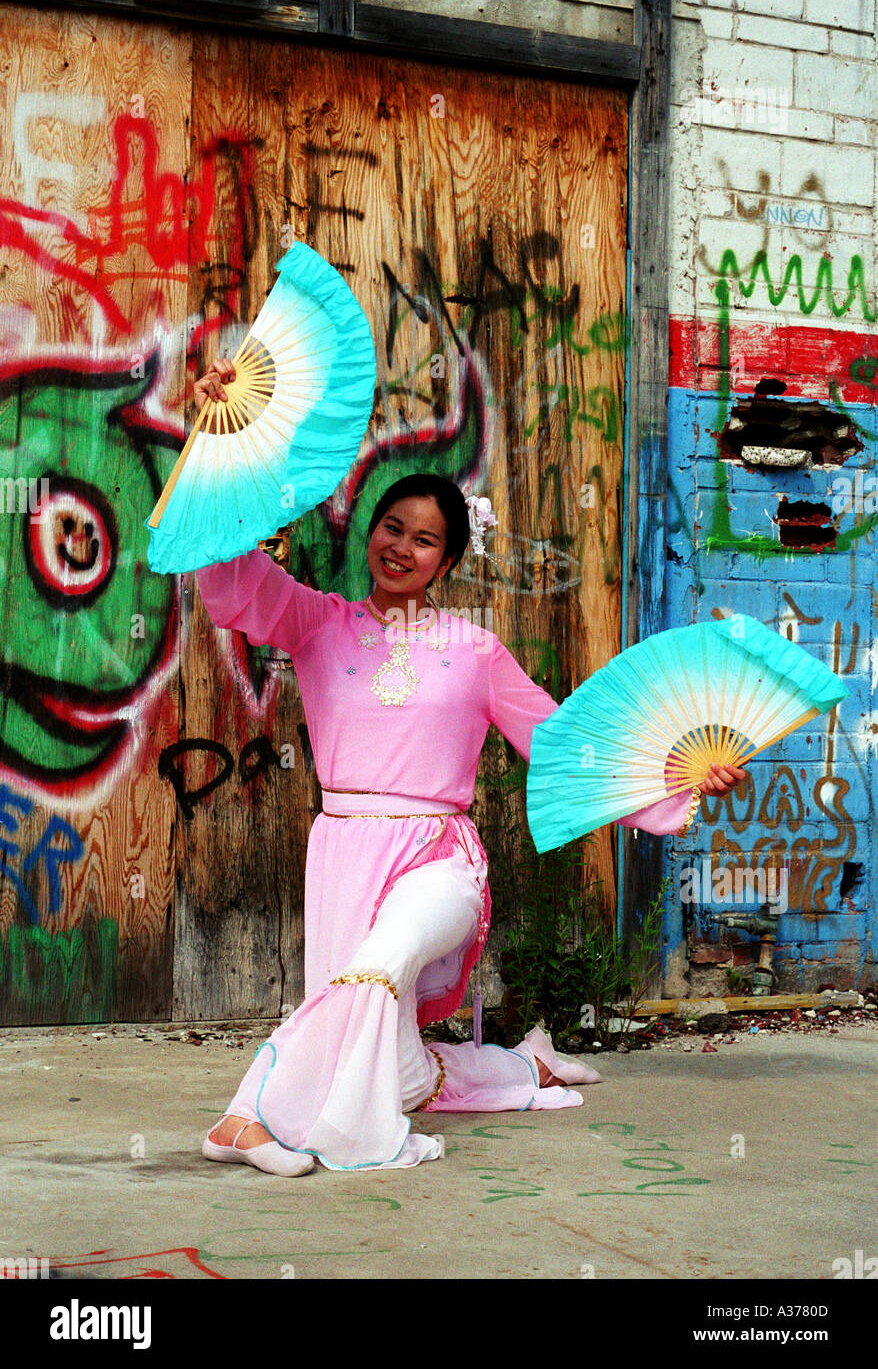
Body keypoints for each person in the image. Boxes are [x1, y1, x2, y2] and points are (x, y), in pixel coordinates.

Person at [191, 358, 745, 1176]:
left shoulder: (475, 652)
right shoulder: (317, 624)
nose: (401, 547)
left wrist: (676, 779)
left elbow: (563, 745)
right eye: (391, 528)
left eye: (424, 539)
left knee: (377, 970)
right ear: (368, 533)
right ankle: (527, 1064)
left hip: (438, 862)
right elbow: (234, 579)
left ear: (447, 562)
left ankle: (249, 1123)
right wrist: (221, 439)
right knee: (390, 1055)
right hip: (343, 853)